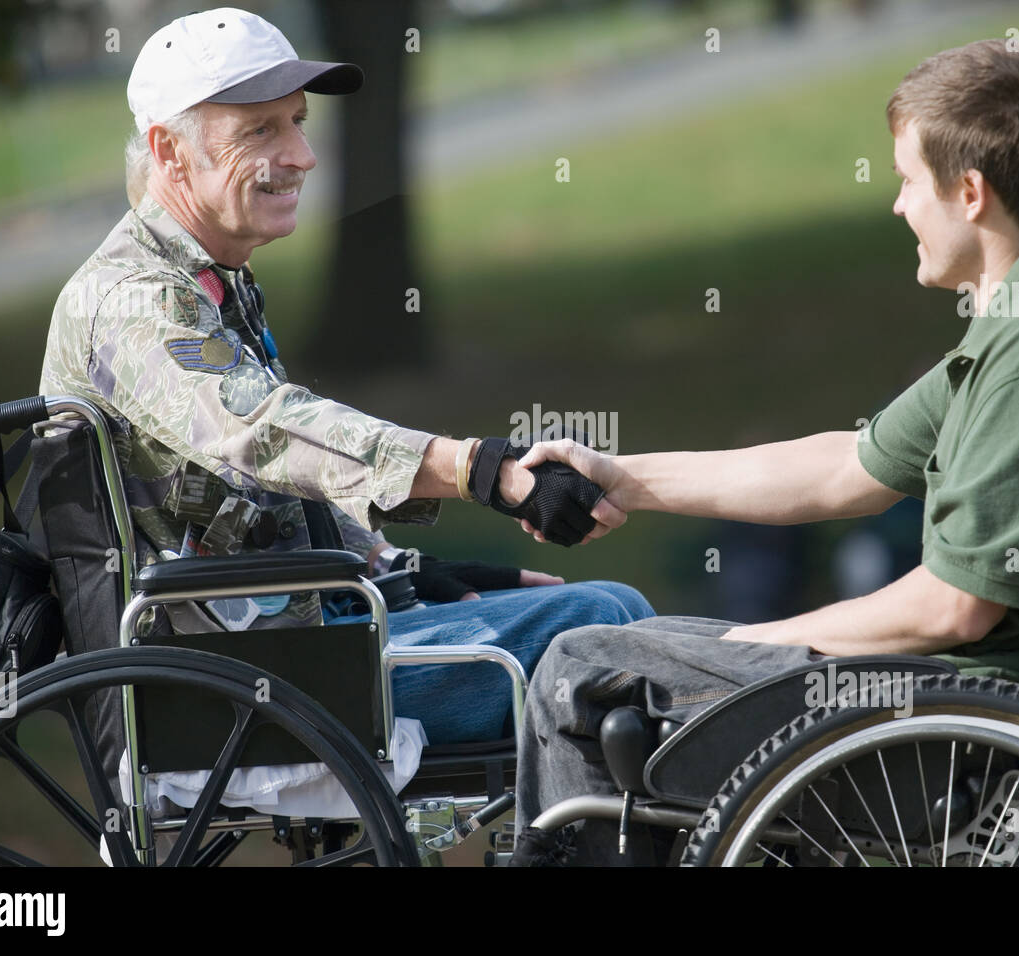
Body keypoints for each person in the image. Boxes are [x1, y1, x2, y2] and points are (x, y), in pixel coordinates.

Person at [510, 38, 1019, 865]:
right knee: (629, 644)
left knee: (578, 664)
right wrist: (626, 477)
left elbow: (954, 607)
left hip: (968, 721)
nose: (897, 205)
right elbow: (847, 467)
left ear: (971, 194)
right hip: (989, 701)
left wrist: (765, 641)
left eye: (909, 180)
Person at [38, 7, 651, 753]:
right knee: (607, 629)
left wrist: (407, 569)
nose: (302, 154)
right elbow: (259, 430)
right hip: (248, 688)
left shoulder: (204, 282)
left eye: (296, 121)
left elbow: (258, 496)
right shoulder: (134, 301)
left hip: (294, 648)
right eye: (261, 130)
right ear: (169, 150)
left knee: (608, 618)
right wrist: (478, 468)